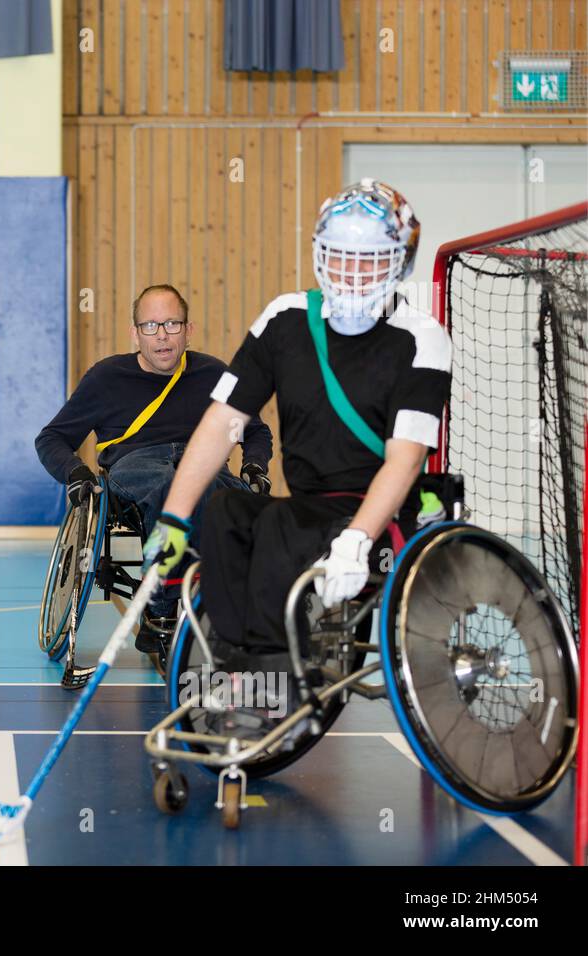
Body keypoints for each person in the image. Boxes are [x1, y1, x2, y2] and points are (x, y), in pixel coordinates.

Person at [143, 179, 450, 721]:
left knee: (283, 528)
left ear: (398, 264)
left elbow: (406, 457)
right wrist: (172, 517)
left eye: (370, 262)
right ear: (318, 256)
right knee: (227, 511)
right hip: (310, 502)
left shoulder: (422, 338)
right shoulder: (285, 319)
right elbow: (222, 423)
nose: (351, 276)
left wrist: (358, 540)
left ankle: (273, 672)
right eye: (339, 259)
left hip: (379, 507)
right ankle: (241, 664)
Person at [35, 283, 273, 648]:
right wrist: (76, 473)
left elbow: (255, 430)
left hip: (204, 464)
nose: (162, 336)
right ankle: (163, 609)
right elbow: (51, 438)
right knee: (171, 484)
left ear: (188, 330)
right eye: (150, 326)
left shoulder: (213, 374)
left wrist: (255, 466)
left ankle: (226, 604)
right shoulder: (106, 377)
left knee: (225, 496)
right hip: (137, 465)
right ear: (135, 334)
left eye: (172, 324)